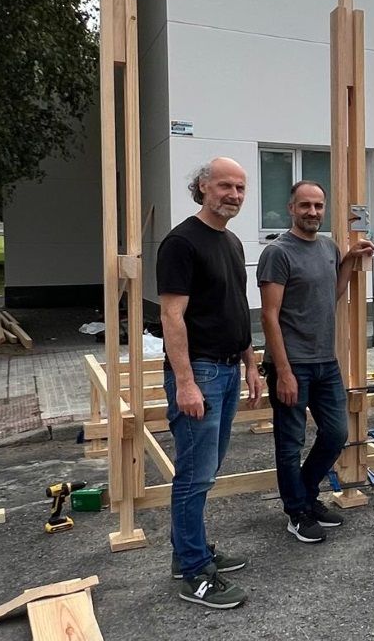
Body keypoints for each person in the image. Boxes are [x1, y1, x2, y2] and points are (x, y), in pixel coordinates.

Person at [158, 157, 261, 609]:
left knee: (207, 470)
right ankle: (195, 572)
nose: (233, 195)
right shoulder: (181, 242)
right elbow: (171, 316)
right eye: (225, 186)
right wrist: (185, 382)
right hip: (199, 372)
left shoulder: (231, 242)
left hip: (227, 368)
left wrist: (251, 363)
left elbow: (234, 307)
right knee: (194, 474)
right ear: (203, 186)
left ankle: (190, 551)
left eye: (240, 188)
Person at [257, 180, 374, 544]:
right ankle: (297, 512)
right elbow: (269, 315)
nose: (312, 212)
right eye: (305, 205)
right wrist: (283, 372)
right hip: (292, 364)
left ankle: (306, 496)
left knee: (337, 434)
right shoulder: (278, 253)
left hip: (326, 361)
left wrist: (349, 260)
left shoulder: (327, 247)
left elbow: (332, 293)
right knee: (290, 443)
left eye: (318, 206)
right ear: (291, 208)